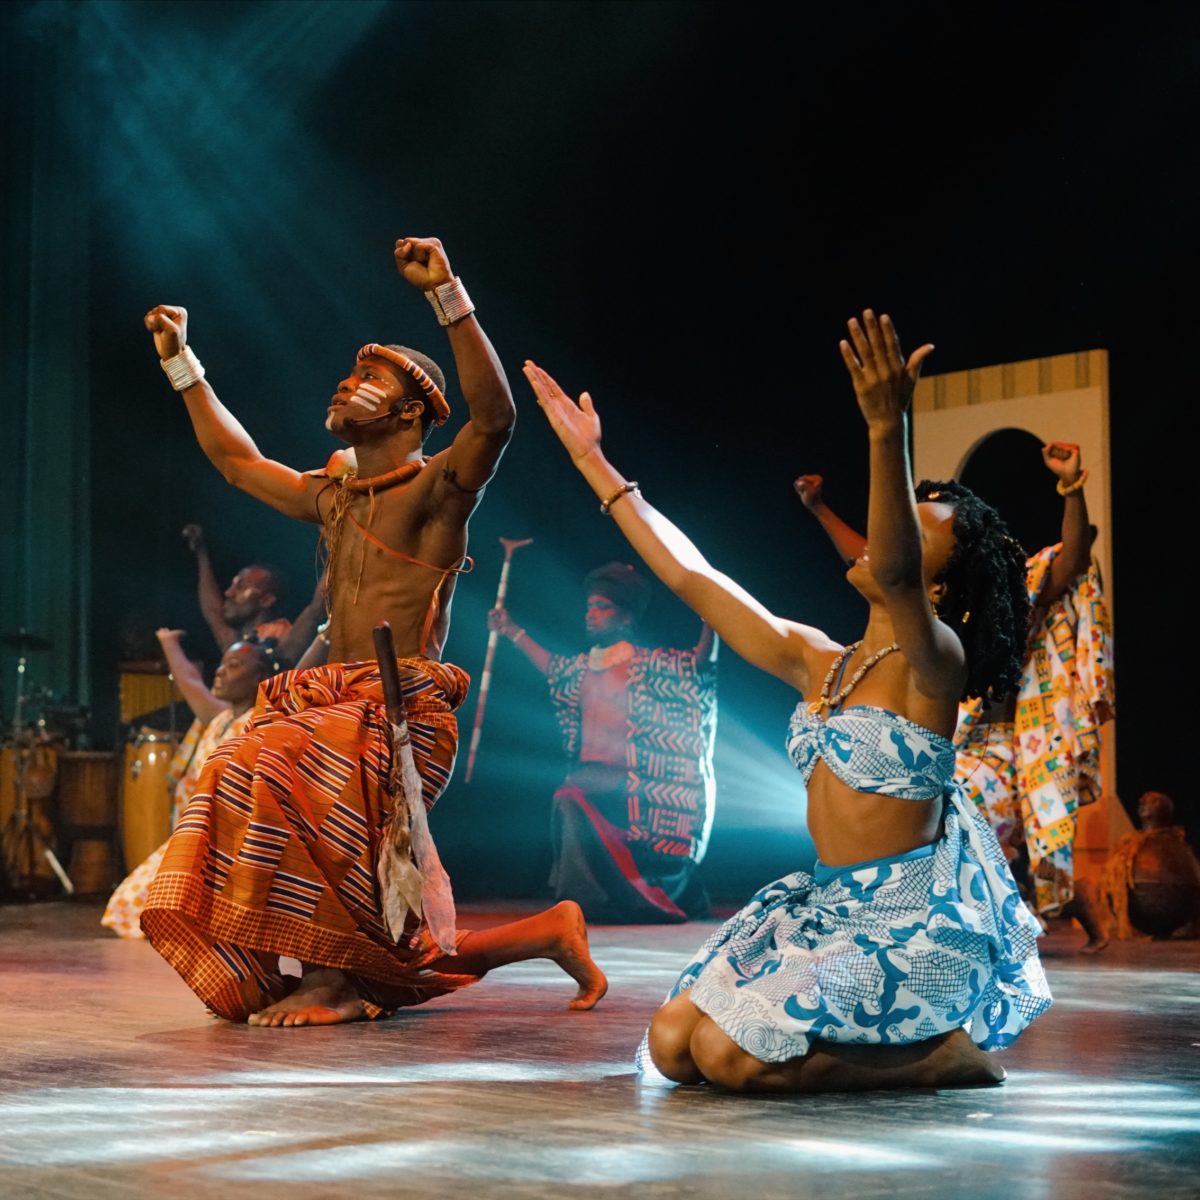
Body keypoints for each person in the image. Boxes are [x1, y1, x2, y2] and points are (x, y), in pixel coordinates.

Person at [524, 308, 1050, 1093]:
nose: (878, 536)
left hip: (900, 929)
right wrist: (596, 465)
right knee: (674, 1045)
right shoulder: (821, 661)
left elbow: (900, 574)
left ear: (939, 578)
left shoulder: (934, 664)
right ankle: (874, 1042)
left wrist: (885, 427)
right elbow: (691, 577)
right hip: (828, 910)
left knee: (730, 1058)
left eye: (908, 527)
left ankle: (940, 1054)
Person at [139, 236, 606, 1027]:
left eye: (368, 379)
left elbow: (494, 418)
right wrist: (184, 364)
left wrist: (448, 295)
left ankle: (335, 981)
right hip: (324, 704)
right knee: (232, 769)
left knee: (285, 761)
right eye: (349, 373)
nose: (346, 384)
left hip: (396, 710)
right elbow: (238, 462)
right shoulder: (337, 496)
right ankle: (545, 931)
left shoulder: (435, 494)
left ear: (410, 409)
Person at [798, 445, 1115, 950]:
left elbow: (1074, 557)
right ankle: (978, 929)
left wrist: (1072, 489)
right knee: (979, 833)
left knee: (1021, 834)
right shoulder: (944, 605)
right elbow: (875, 558)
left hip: (1024, 742)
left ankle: (1065, 917)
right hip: (971, 739)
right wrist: (819, 511)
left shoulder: (1024, 590)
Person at [489, 561, 717, 922]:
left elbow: (698, 664)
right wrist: (511, 631)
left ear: (625, 617)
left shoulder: (650, 666)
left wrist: (713, 618)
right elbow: (550, 666)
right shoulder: (580, 669)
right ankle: (582, 900)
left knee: (571, 795)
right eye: (589, 606)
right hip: (588, 777)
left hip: (631, 785)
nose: (591, 614)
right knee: (571, 793)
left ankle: (590, 901)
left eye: (602, 607)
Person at [101, 628, 281, 938]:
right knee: (126, 905)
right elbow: (191, 682)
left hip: (229, 842)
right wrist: (168, 644)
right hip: (196, 837)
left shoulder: (261, 722)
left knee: (142, 907)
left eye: (235, 666)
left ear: (260, 677)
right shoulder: (220, 720)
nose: (221, 671)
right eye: (223, 663)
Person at [180, 524, 326, 667]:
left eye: (240, 587)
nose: (228, 593)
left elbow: (316, 609)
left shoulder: (280, 640)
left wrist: (336, 545)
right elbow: (213, 612)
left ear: (266, 600)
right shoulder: (238, 644)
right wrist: (201, 552)